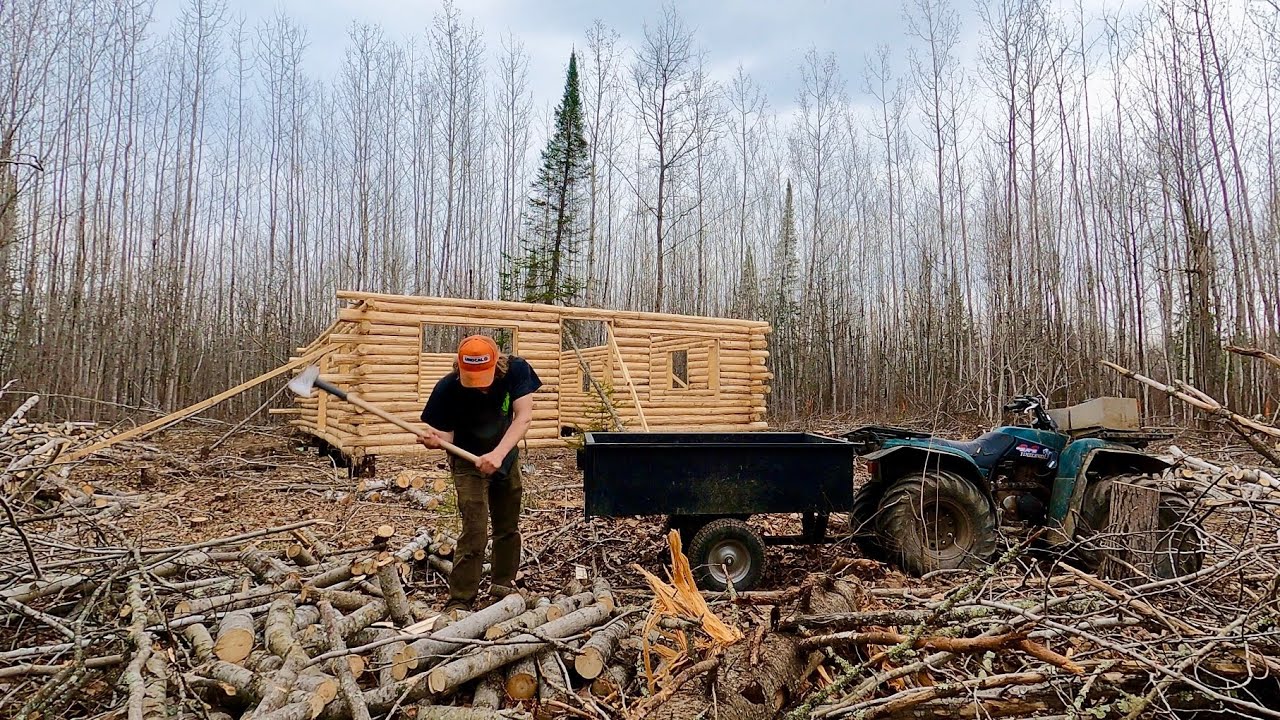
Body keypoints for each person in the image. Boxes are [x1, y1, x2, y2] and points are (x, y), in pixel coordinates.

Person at [418, 335, 542, 611]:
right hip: (467, 462)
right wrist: (435, 439)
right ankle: (460, 599)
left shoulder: (517, 371)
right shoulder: (447, 389)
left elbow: (523, 416)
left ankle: (502, 585)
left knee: (507, 526)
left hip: (505, 456)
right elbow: (446, 435)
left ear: (496, 363)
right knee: (474, 530)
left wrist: (498, 454)